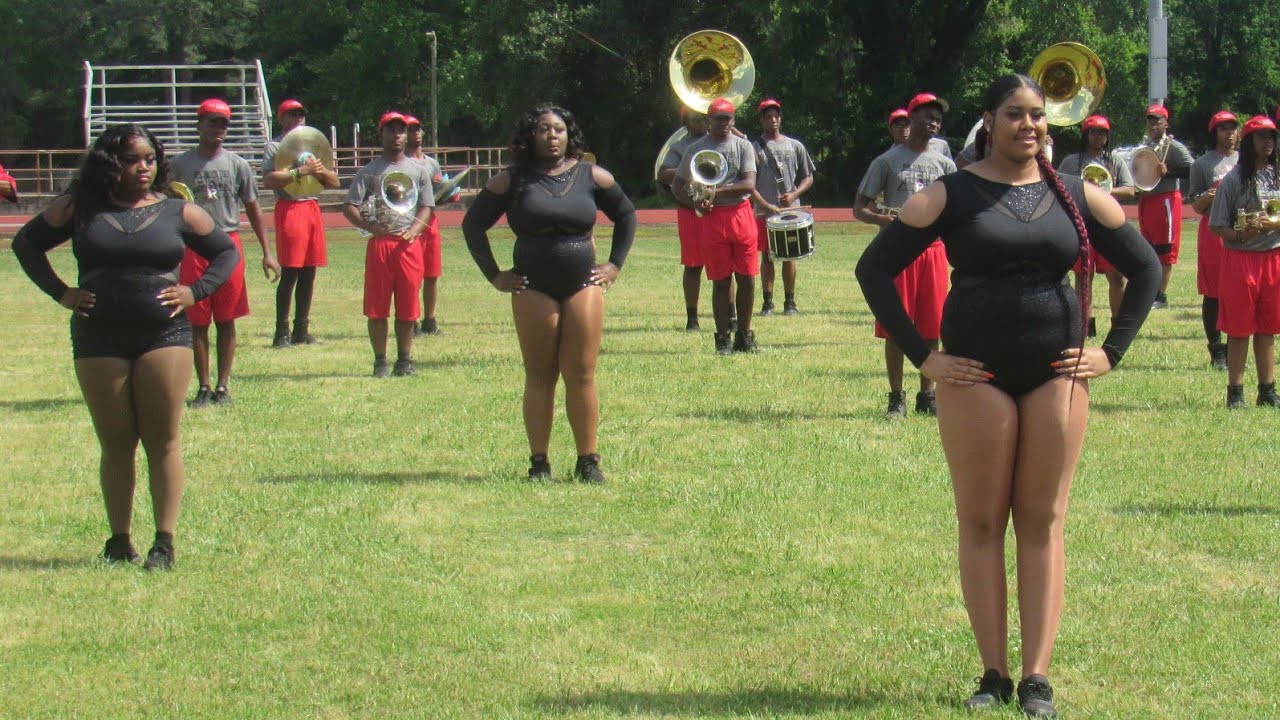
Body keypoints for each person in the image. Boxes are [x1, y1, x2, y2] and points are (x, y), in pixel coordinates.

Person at [856, 74, 1160, 718]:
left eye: (1039, 117)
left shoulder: (1079, 194)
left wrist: (1112, 350)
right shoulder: (953, 193)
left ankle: (1036, 678)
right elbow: (874, 268)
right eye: (1016, 115)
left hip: (1058, 375)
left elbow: (1146, 268)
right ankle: (992, 673)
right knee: (984, 522)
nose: (1031, 126)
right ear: (989, 121)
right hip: (975, 376)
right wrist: (924, 355)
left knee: (1044, 521)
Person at [11, 124, 240, 570]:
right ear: (110, 163)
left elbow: (226, 252)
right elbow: (26, 244)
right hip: (98, 337)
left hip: (164, 336)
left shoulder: (178, 210)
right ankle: (118, 540)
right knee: (116, 443)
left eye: (150, 159)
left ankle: (164, 542)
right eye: (133, 159)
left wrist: (195, 292)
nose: (143, 167)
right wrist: (62, 293)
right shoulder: (81, 208)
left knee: (163, 440)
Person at [461, 104, 636, 482]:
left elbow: (627, 214)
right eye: (543, 129)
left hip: (582, 286)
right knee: (540, 375)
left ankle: (588, 461)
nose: (551, 136)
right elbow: (472, 225)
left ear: (569, 135)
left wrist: (615, 264)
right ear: (531, 135)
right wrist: (494, 275)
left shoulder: (592, 175)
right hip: (532, 287)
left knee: (582, 374)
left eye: (558, 129)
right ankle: (539, 463)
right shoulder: (512, 180)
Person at [171, 98, 280, 407]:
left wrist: (267, 252)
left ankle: (223, 386)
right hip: (193, 245)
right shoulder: (180, 164)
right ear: (199, 125)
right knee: (197, 320)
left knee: (227, 319)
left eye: (223, 123)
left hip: (227, 242)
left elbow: (253, 208)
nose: (218, 129)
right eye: (212, 122)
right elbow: (168, 205)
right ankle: (203, 386)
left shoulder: (237, 164)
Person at [853, 93, 956, 418]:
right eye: (927, 116)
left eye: (937, 118)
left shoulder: (945, 164)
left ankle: (928, 395)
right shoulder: (887, 161)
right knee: (897, 326)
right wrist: (886, 220)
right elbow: (860, 207)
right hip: (897, 251)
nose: (933, 122)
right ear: (910, 119)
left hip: (933, 250)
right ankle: (896, 396)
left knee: (931, 327)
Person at [342, 111, 435, 378]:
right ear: (381, 134)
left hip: (407, 244)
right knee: (377, 306)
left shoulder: (418, 170)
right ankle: (380, 360)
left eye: (401, 130)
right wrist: (370, 227)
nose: (397, 135)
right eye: (391, 130)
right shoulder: (369, 171)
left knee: (408, 306)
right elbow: (349, 206)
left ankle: (404, 359)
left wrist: (416, 230)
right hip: (381, 244)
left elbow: (426, 206)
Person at [672, 97, 759, 354]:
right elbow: (678, 184)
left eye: (727, 119)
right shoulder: (695, 149)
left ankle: (745, 334)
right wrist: (694, 204)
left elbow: (748, 184)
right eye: (718, 119)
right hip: (713, 219)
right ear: (709, 120)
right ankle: (722, 338)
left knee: (747, 279)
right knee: (720, 280)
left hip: (741, 215)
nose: (723, 124)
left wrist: (711, 192)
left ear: (733, 121)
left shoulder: (743, 146)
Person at [1208, 115, 1280, 409]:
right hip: (1241, 260)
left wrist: (1273, 226)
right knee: (1238, 329)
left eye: (1272, 137)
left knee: (1268, 328)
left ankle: (1267, 390)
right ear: (1250, 142)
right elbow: (1216, 226)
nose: (1268, 142)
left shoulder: (1277, 175)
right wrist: (1240, 234)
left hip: (1273, 257)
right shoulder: (1233, 180)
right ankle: (1235, 391)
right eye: (1262, 137)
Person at [261, 98, 340, 347]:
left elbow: (334, 182)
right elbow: (269, 179)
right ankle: (281, 331)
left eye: (300, 115)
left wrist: (318, 170)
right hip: (290, 206)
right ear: (281, 118)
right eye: (292, 115)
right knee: (291, 271)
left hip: (311, 207)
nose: (297, 119)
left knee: (309, 271)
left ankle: (301, 329)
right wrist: (298, 172)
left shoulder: (314, 144)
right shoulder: (274, 147)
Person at [1056, 114, 1137, 336]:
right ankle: (1085, 326)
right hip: (1081, 223)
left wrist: (1104, 192)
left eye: (1103, 133)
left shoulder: (1115, 160)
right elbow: (1058, 186)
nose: (1098, 137)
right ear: (1085, 134)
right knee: (1083, 276)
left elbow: (1130, 190)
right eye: (1094, 132)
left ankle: (1118, 325)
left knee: (1117, 275)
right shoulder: (1072, 161)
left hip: (1109, 224)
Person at [751, 98, 815, 316]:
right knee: (768, 257)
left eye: (776, 116)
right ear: (761, 120)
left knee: (790, 256)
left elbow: (808, 177)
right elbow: (749, 184)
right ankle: (768, 303)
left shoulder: (795, 145)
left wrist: (795, 194)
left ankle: (790, 303)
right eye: (768, 117)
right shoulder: (754, 148)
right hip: (764, 212)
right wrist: (766, 204)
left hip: (791, 213)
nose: (773, 120)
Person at [1188, 110, 1240, 370]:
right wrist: (1209, 196)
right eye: (1223, 128)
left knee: (1238, 290)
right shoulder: (1202, 164)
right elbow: (1195, 206)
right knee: (1213, 292)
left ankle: (1235, 346)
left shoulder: (1246, 161)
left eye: (1232, 127)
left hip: (1241, 230)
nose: (1229, 133)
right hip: (1212, 231)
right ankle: (1216, 348)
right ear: (1214, 133)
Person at [658, 107, 712, 331]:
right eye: (695, 119)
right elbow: (663, 174)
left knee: (726, 265)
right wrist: (691, 167)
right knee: (693, 264)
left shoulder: (721, 140)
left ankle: (731, 315)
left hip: (719, 207)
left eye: (703, 118)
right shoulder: (679, 146)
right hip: (690, 208)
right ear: (686, 123)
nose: (700, 122)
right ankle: (692, 318)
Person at [1136, 104, 1195, 308]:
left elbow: (1192, 168)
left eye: (1157, 121)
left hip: (1166, 199)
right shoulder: (1145, 145)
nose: (1153, 125)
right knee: (1149, 247)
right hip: (1147, 199)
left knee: (1165, 249)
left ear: (1166, 123)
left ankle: (1160, 295)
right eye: (1150, 120)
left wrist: (1167, 172)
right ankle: (1150, 291)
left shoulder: (1174, 146)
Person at [405, 114, 446, 337]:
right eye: (411, 129)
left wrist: (448, 192)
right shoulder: (402, 162)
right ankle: (410, 320)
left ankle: (429, 319)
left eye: (419, 128)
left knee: (432, 274)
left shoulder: (431, 163)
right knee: (412, 275)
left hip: (431, 223)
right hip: (411, 222)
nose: (417, 133)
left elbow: (438, 192)